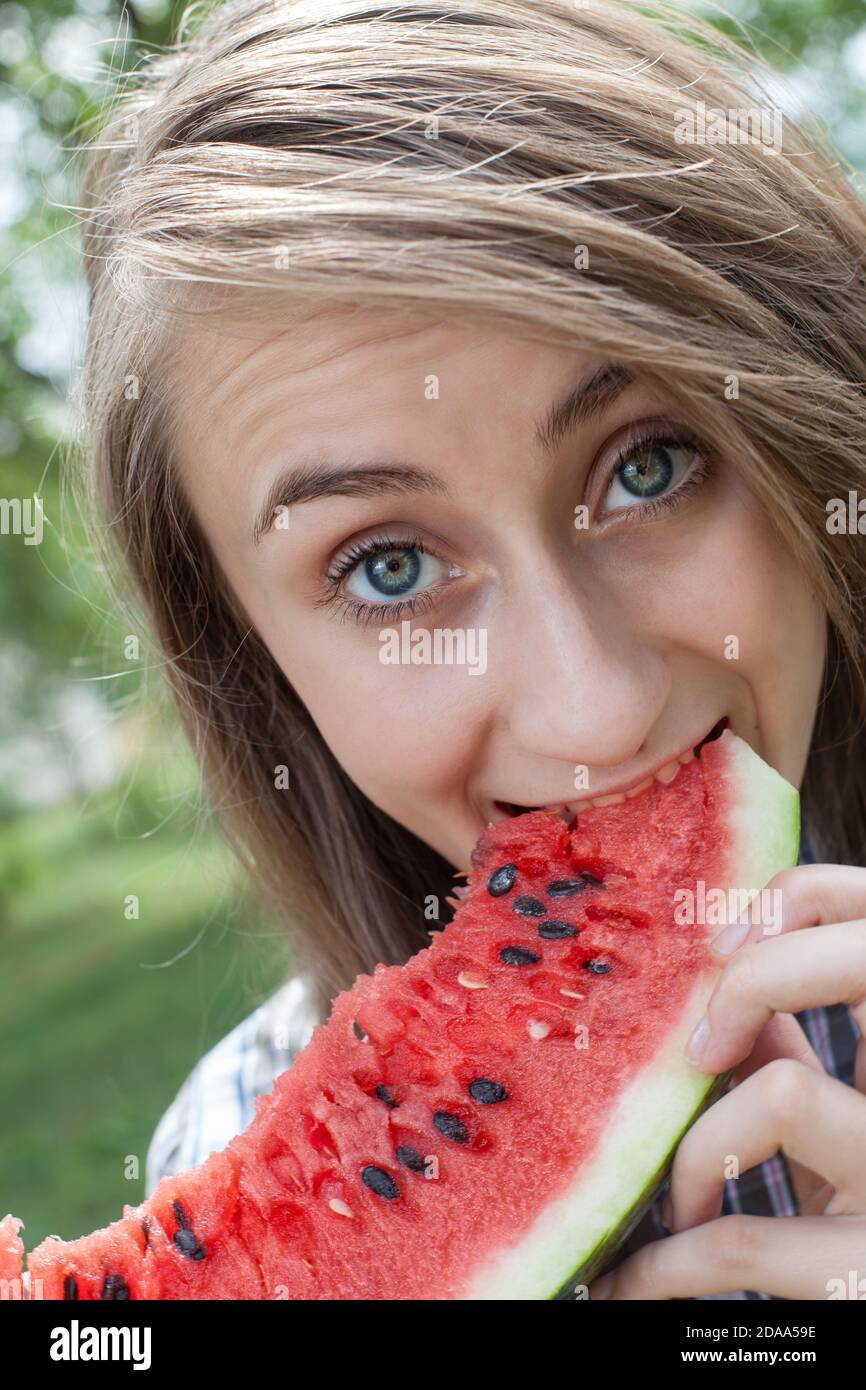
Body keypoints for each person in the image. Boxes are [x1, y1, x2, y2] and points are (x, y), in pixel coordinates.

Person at [74, 0, 866, 1298]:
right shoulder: (223, 1132)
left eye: (648, 466)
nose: (594, 707)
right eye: (389, 568)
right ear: (254, 653)